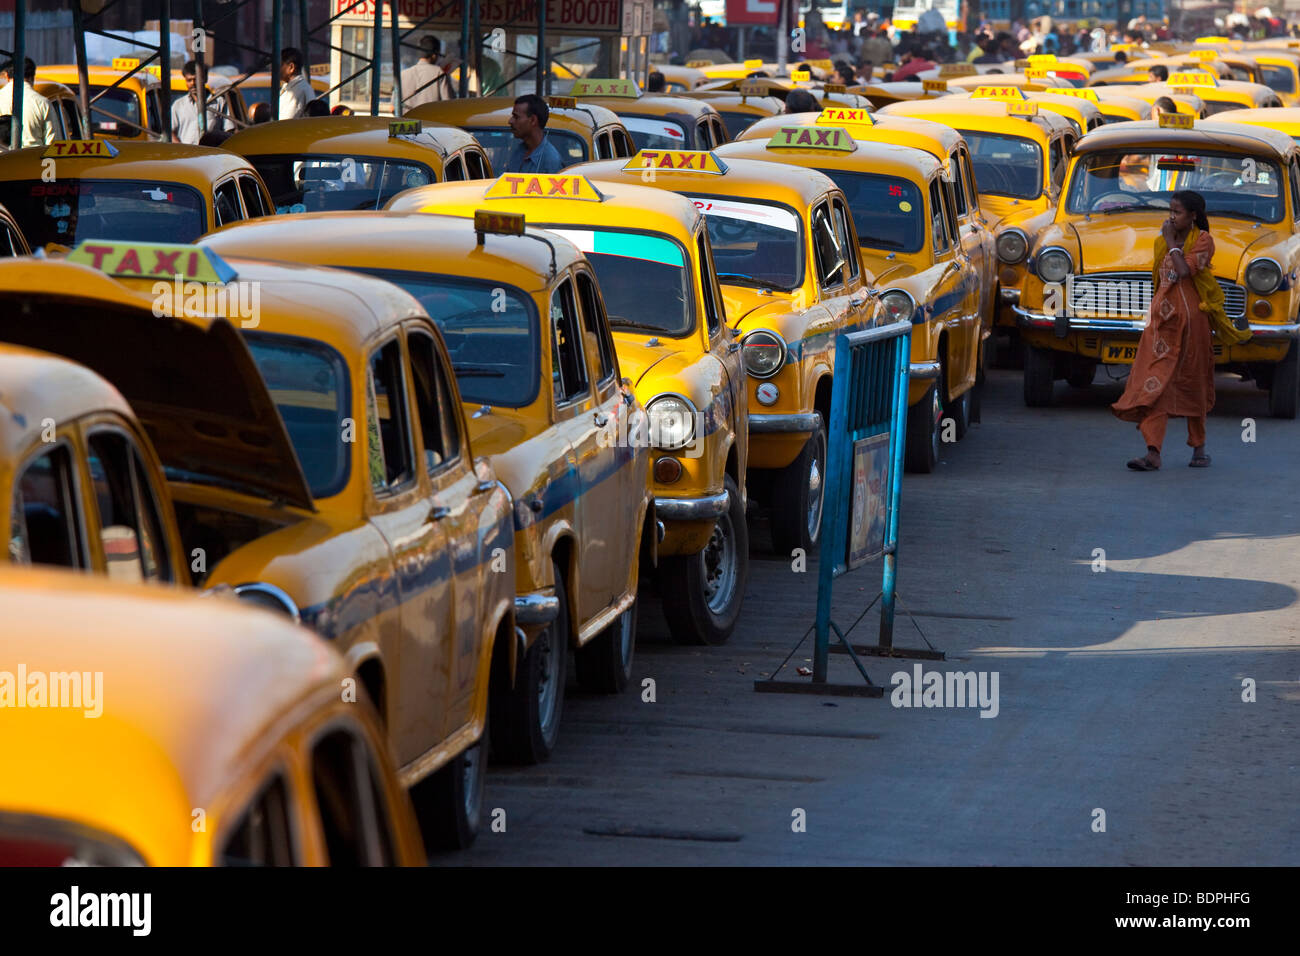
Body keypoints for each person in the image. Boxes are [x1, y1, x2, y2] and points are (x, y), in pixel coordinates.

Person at [1113, 191, 1226, 470]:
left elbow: (1184, 272)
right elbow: (1162, 281)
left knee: (1193, 382)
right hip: (1163, 327)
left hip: (1192, 326)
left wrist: (1172, 244)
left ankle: (1198, 449)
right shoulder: (1163, 242)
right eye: (1170, 211)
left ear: (1193, 216)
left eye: (1177, 212)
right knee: (1155, 381)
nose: (1171, 217)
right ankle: (1153, 452)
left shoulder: (1203, 241)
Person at [170, 60, 231, 145]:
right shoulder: (178, 105)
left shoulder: (219, 102)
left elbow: (229, 130)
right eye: (189, 80)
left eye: (196, 79)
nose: (193, 83)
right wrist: (181, 149)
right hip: (186, 155)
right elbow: (170, 132)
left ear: (205, 78)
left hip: (212, 155)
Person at [0, 57, 55, 147]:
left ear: (6, 75)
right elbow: (52, 143)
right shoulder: (42, 103)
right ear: (32, 77)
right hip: (32, 158)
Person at [392, 35, 457, 112]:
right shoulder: (439, 73)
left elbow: (392, 108)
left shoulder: (402, 74)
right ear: (434, 55)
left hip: (406, 122)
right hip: (430, 122)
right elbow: (450, 104)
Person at [505, 94, 563, 174]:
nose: (510, 121)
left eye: (516, 117)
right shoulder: (519, 151)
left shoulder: (551, 161)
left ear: (533, 120)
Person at [278, 47, 313, 120]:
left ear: (291, 67)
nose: (273, 69)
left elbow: (286, 122)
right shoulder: (289, 87)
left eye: (279, 65)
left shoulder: (300, 89)